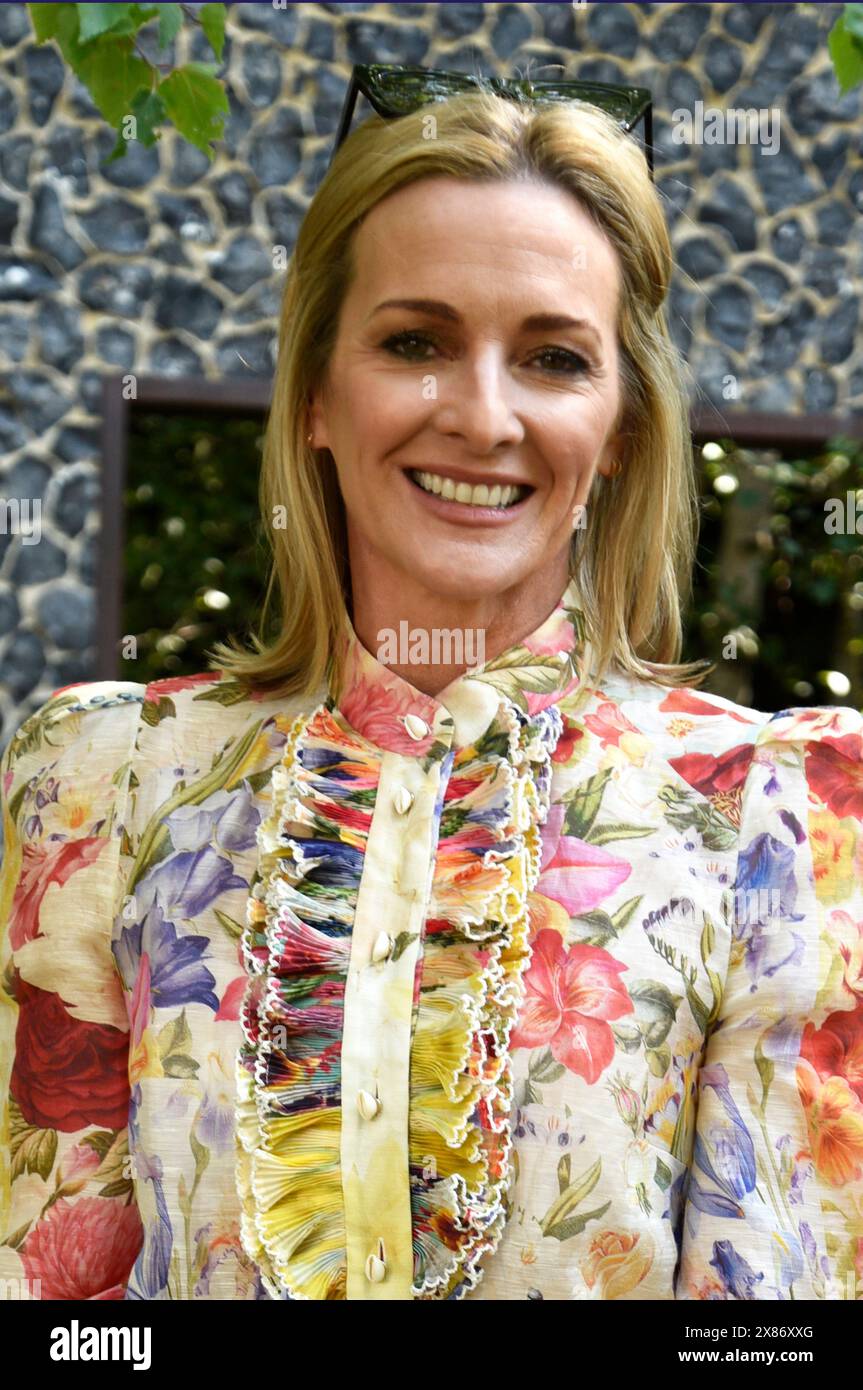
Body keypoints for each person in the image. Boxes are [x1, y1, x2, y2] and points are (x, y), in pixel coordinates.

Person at [1, 77, 861, 1303]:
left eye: (555, 359)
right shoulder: (104, 782)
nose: (481, 414)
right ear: (313, 391)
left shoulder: (772, 818)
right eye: (415, 343)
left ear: (617, 426)